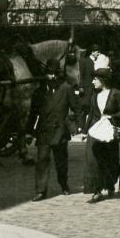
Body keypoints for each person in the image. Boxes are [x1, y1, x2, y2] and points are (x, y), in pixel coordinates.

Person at [28, 60, 78, 201]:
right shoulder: (39, 92)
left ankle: (63, 184)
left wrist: (72, 124)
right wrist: (28, 132)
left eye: (54, 74)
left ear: (59, 75)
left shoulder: (66, 89)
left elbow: (76, 108)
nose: (51, 77)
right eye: (49, 74)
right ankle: (40, 190)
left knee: (61, 161)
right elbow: (33, 113)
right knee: (42, 160)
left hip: (60, 131)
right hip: (43, 130)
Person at [84, 63, 120, 203]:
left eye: (95, 79)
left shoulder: (117, 94)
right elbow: (91, 114)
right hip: (95, 131)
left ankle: (109, 184)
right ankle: (96, 190)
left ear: (103, 80)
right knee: (93, 160)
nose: (93, 82)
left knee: (110, 160)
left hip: (109, 130)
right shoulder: (94, 95)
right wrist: (85, 131)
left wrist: (112, 117)